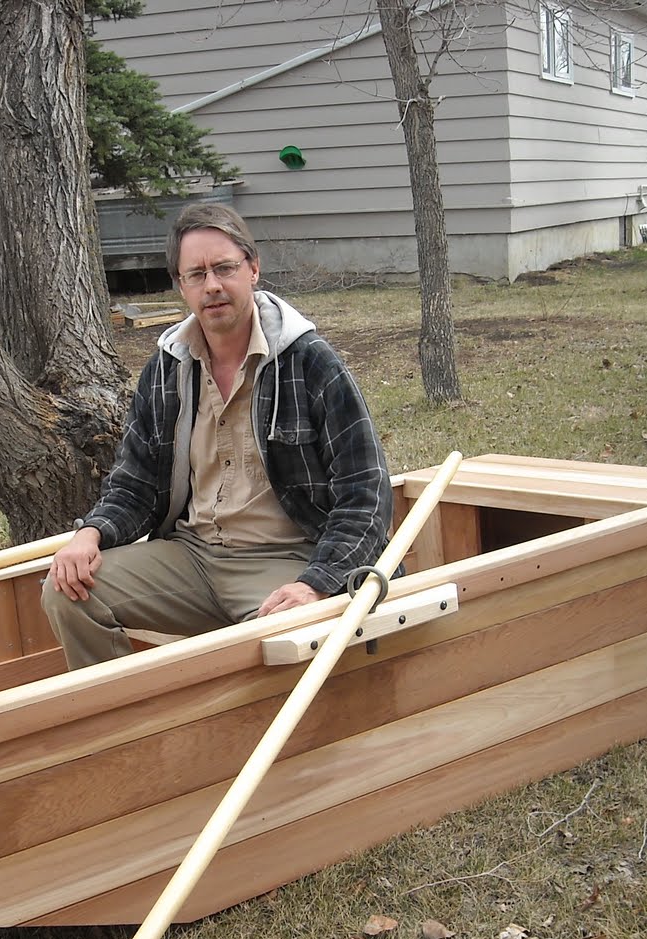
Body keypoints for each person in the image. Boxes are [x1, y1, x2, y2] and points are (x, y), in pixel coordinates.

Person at [41, 202, 393, 670]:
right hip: (192, 557)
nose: (212, 285)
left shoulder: (311, 363)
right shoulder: (167, 368)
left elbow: (365, 496)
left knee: (292, 639)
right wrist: (89, 534)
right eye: (196, 274)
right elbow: (135, 484)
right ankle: (127, 730)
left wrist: (317, 583)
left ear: (252, 269)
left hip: (288, 559)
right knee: (68, 592)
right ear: (180, 286)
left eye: (225, 268)